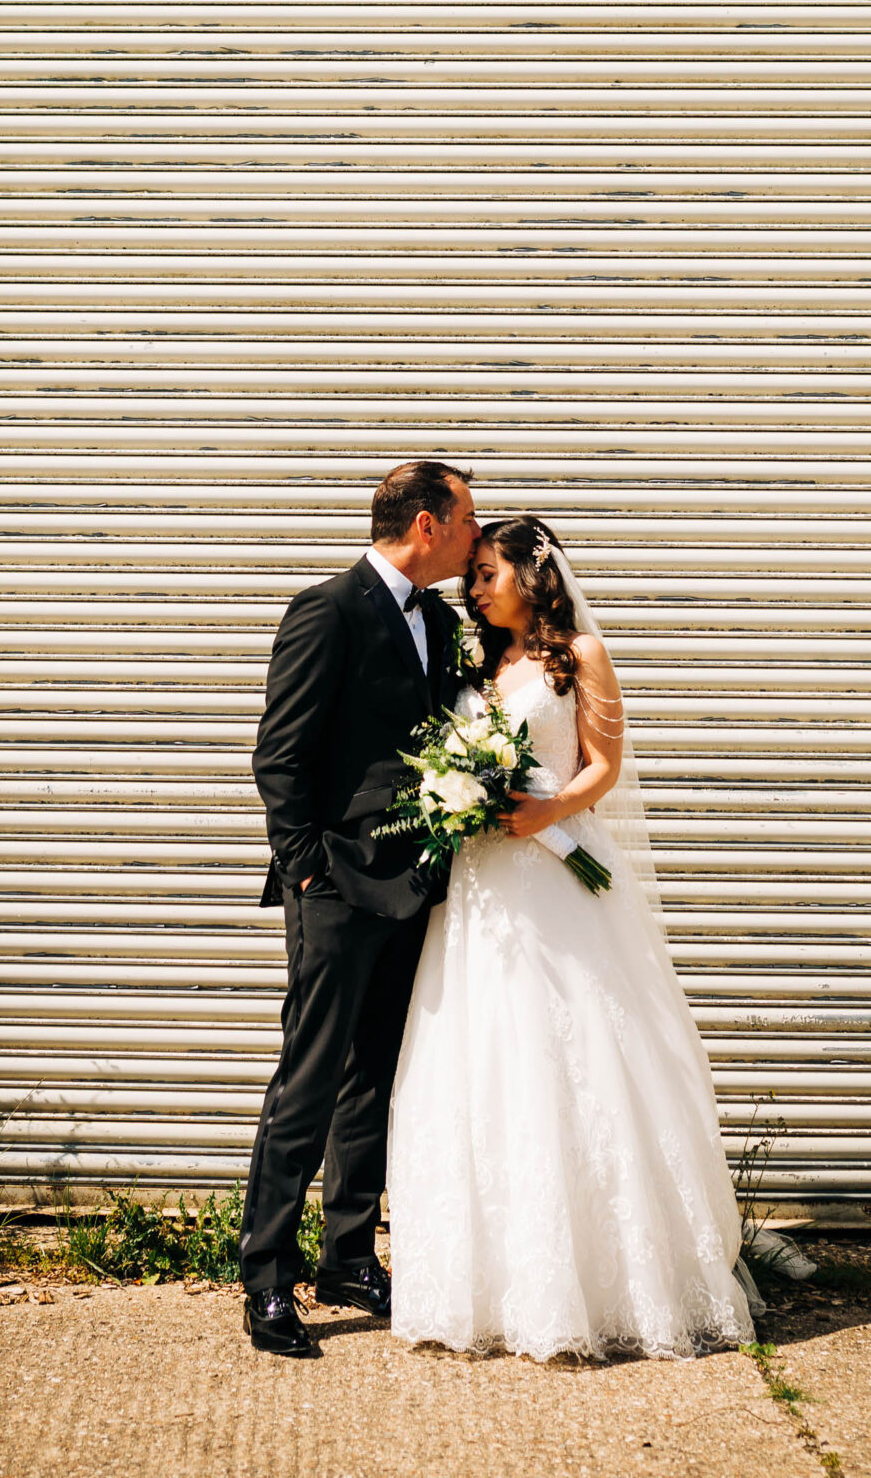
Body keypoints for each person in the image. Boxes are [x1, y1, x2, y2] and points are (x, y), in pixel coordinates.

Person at [385, 514, 761, 1362]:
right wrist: (460, 794)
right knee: (483, 1055)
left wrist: (550, 809)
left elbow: (604, 765)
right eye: (470, 574)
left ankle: (608, 1281)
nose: (473, 587)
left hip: (557, 872)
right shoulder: (474, 660)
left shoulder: (579, 656)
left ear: (533, 572)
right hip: (481, 887)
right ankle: (485, 1285)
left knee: (578, 1050)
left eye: (486, 572)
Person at [239, 458, 482, 1357]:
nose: (472, 537)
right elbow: (279, 755)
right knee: (306, 1082)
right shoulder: (327, 610)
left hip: (411, 887)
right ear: (425, 524)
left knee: (373, 1079)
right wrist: (307, 870)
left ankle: (346, 1255)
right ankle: (266, 1279)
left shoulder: (441, 619)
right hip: (338, 886)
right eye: (464, 520)